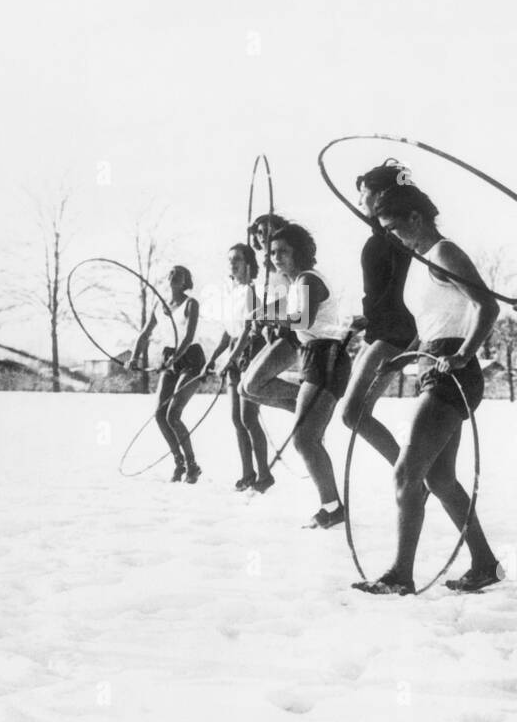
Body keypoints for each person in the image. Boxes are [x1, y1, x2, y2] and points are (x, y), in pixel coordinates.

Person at [351, 184, 502, 595]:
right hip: (433, 365)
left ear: (416, 218)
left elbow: (486, 306)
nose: (393, 237)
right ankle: (485, 563)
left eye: (396, 228)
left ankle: (400, 574)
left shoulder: (444, 252)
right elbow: (435, 324)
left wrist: (465, 353)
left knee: (406, 472)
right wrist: (409, 356)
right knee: (439, 479)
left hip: (452, 372)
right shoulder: (424, 261)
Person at [241, 223, 352, 528]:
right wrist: (258, 312)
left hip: (327, 357)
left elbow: (304, 317)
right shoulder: (296, 283)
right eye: (272, 252)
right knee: (252, 390)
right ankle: (331, 507)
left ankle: (333, 508)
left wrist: (265, 315)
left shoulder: (308, 279)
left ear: (300, 252)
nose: (276, 257)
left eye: (283, 252)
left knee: (305, 441)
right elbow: (288, 305)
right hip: (312, 356)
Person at [339, 160, 418, 467]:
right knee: (352, 413)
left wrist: (410, 346)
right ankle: (410, 477)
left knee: (353, 413)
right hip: (379, 332)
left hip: (395, 334)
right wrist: (365, 318)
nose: (359, 202)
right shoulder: (379, 238)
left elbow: (403, 293)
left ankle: (409, 476)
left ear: (381, 194)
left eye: (363, 194)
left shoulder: (397, 237)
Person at [204, 244, 273, 492]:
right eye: (230, 259)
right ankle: (248, 474)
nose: (233, 263)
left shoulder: (253, 291)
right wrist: (213, 357)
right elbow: (230, 330)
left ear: (248, 263)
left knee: (248, 417)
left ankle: (264, 474)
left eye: (238, 259)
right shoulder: (232, 292)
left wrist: (231, 358)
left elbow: (246, 329)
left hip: (251, 351)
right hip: (234, 353)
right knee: (237, 418)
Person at [131, 266, 206, 483]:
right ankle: (179, 462)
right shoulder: (159, 306)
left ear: (186, 281)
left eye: (180, 274)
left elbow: (190, 336)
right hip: (169, 359)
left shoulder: (191, 304)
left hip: (191, 358)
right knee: (159, 415)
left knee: (174, 414)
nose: (174, 275)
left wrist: (177, 357)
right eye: (171, 273)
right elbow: (145, 334)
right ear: (167, 279)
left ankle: (192, 465)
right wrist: (134, 357)